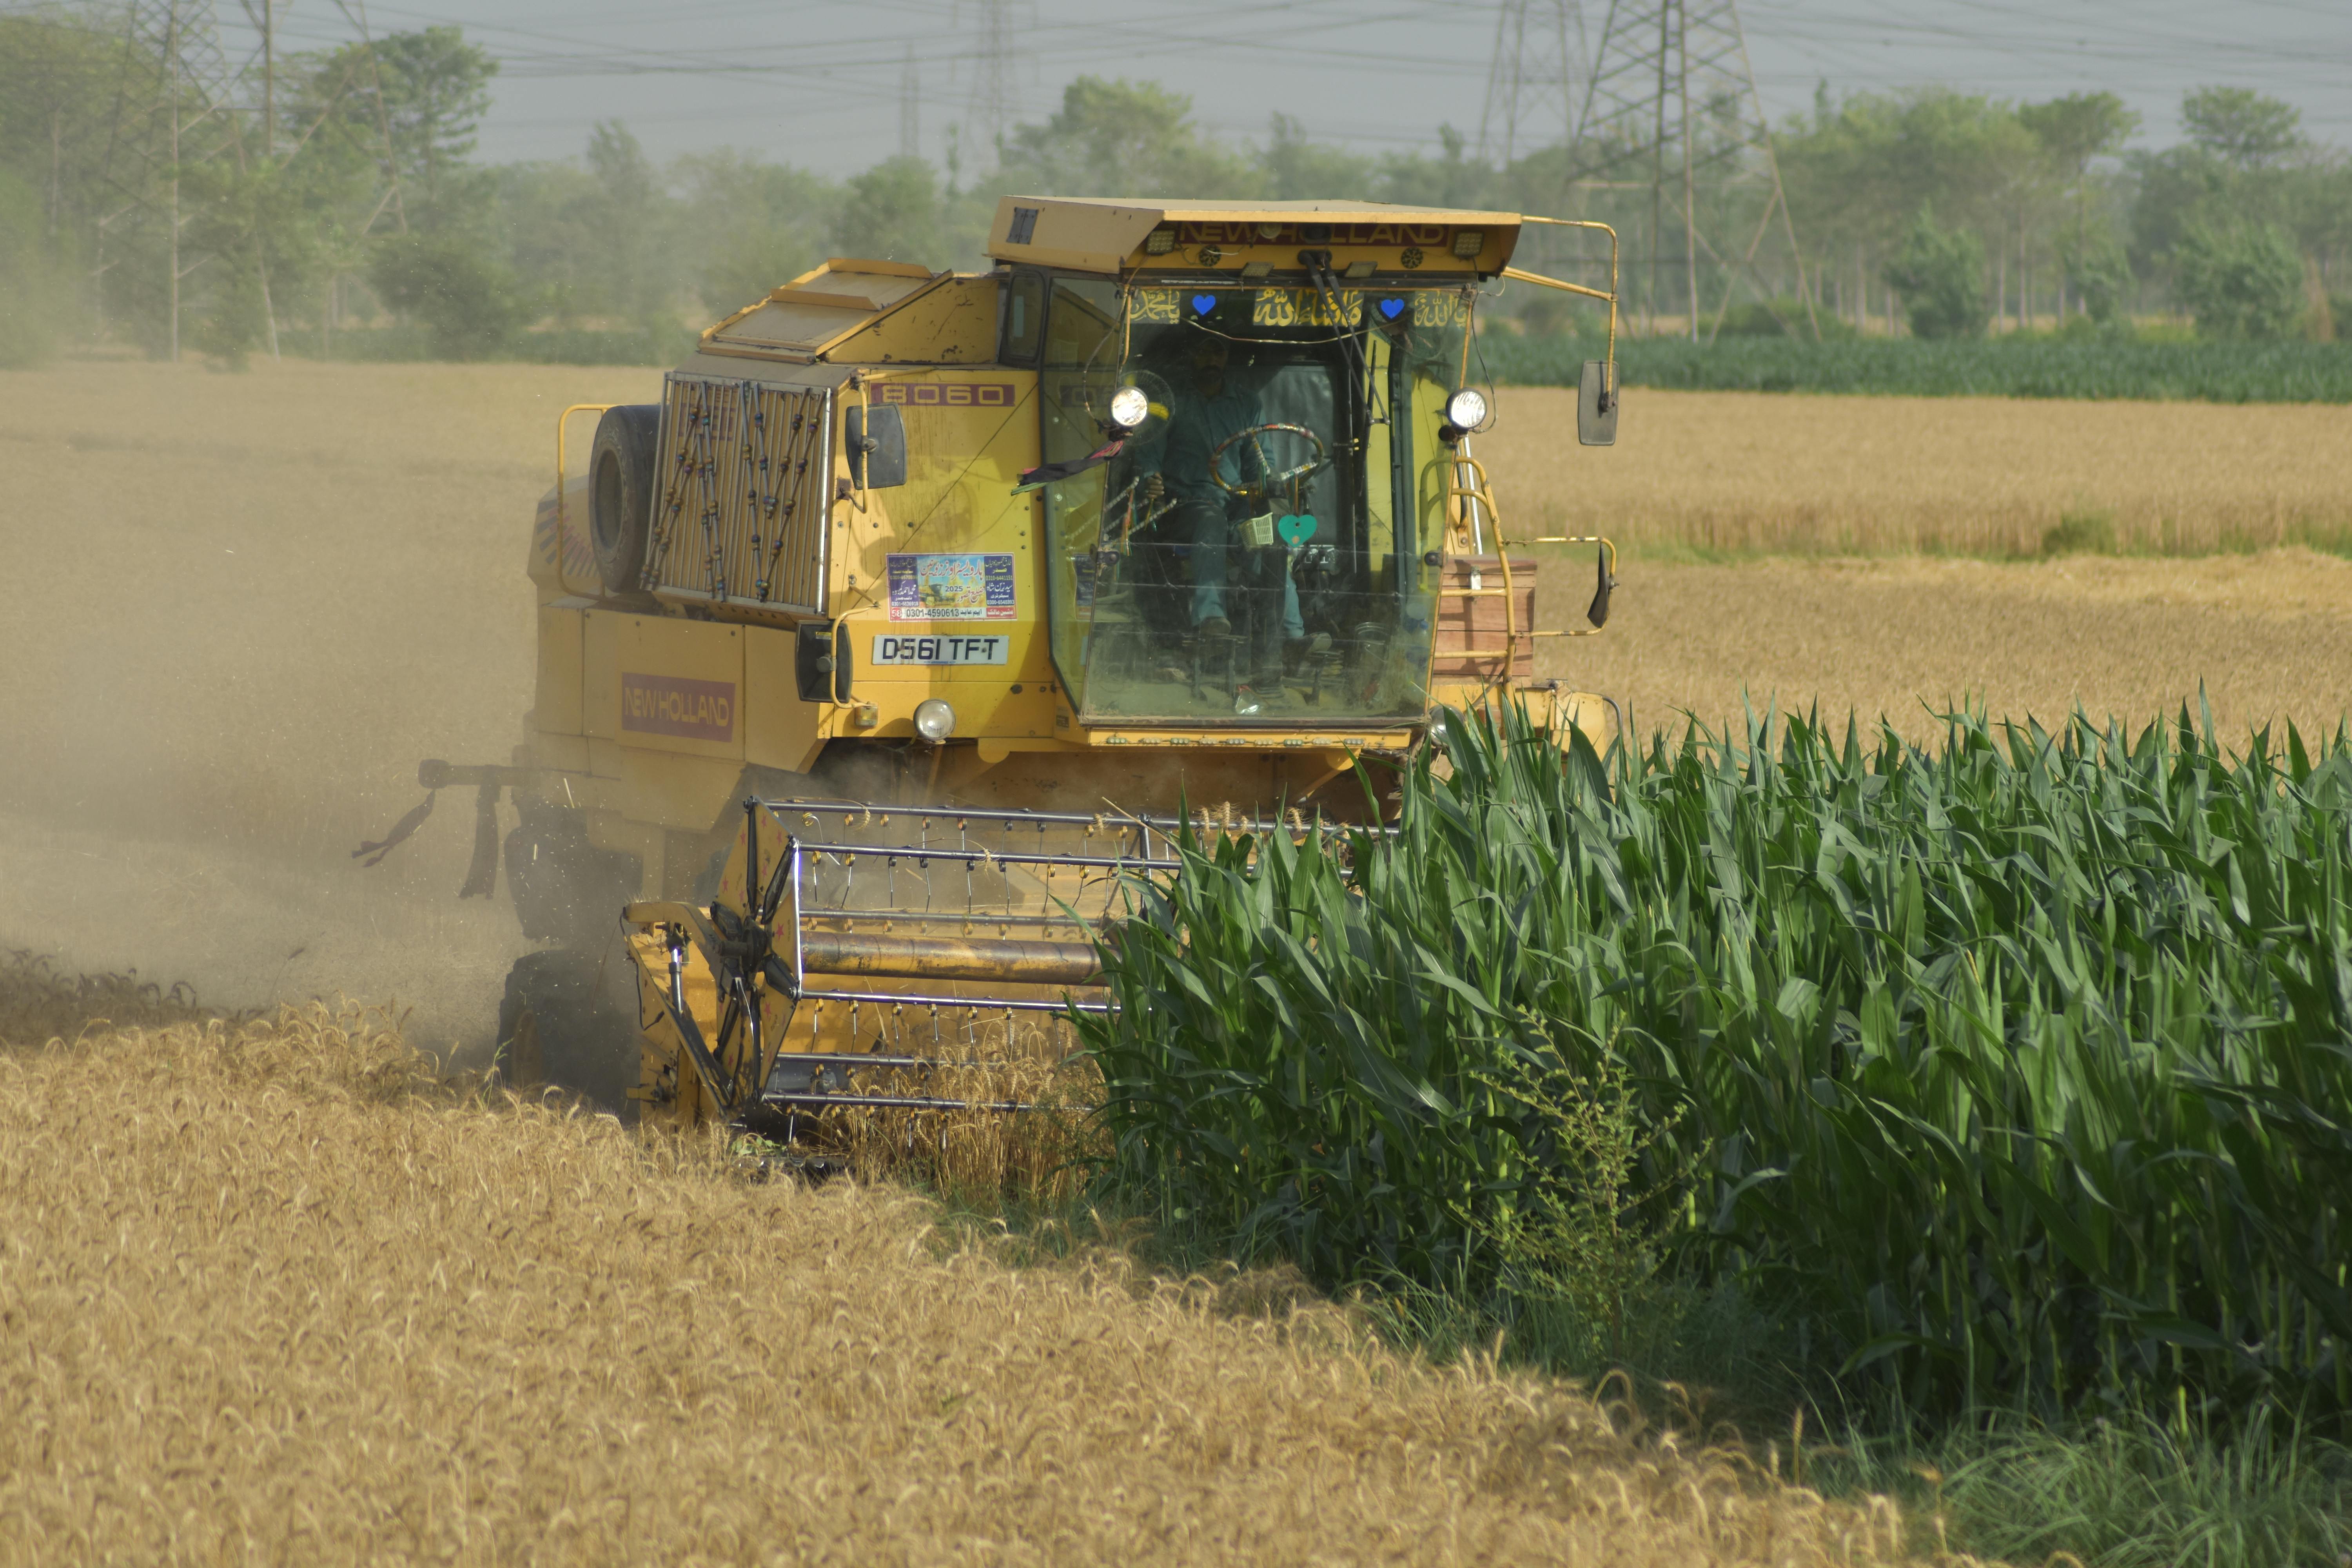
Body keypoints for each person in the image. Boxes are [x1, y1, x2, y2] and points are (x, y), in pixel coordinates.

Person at [1136, 336, 1305, 648]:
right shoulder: (1169, 402)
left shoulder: (1247, 403)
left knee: (1268, 543)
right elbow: (1150, 453)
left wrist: (1266, 484)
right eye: (1203, 350)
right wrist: (1151, 478)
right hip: (1185, 505)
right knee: (1210, 519)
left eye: (1218, 352)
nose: (1212, 359)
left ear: (1226, 358)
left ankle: (1292, 636)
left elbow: (1259, 461)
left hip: (1235, 506)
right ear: (1191, 355)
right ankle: (1210, 619)